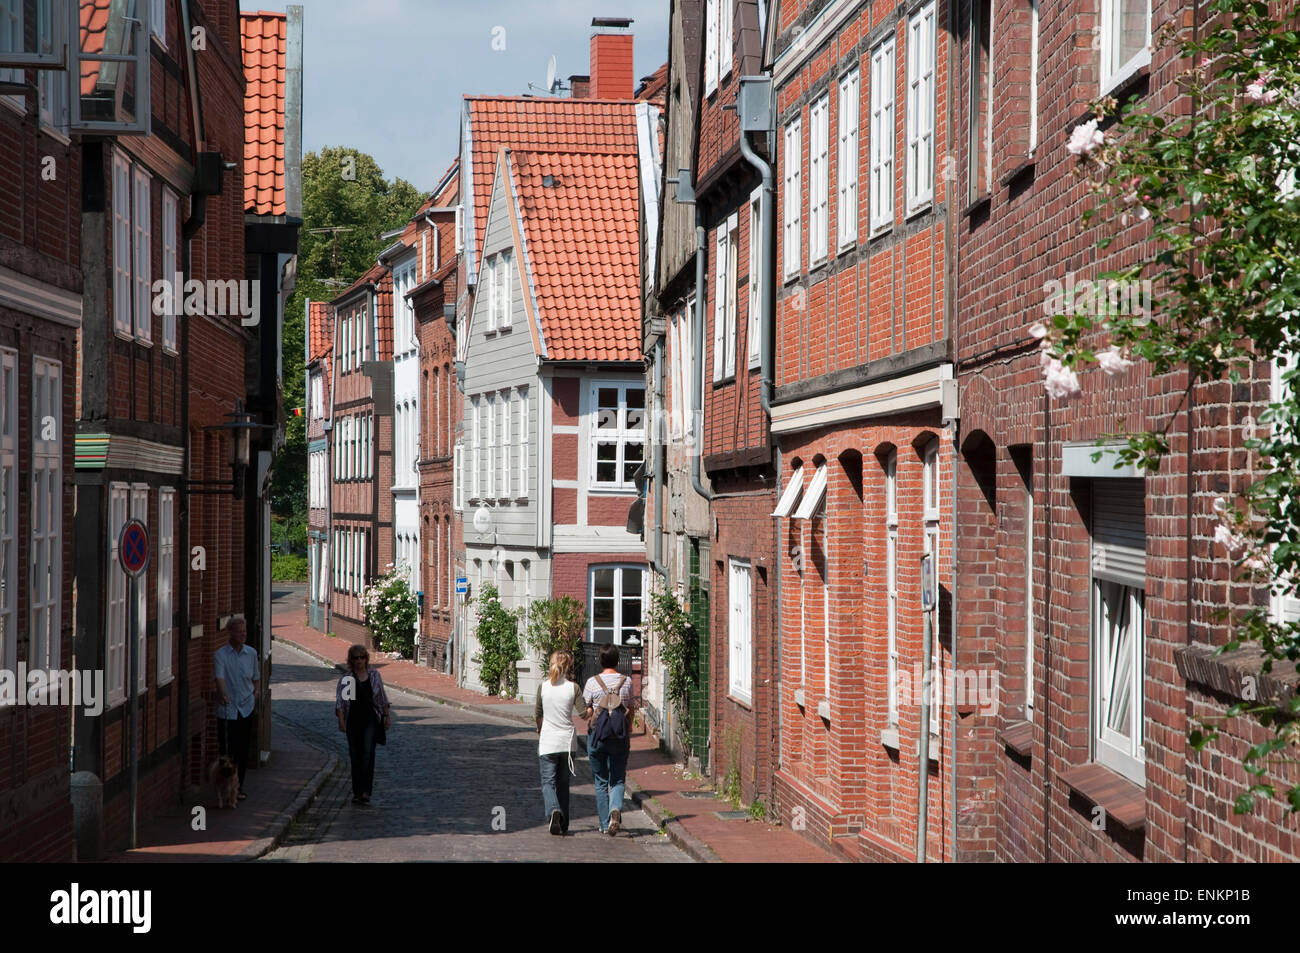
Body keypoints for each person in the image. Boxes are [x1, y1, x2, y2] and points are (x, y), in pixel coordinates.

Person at [583, 644, 636, 835]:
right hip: (619, 736)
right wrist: (628, 727)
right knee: (618, 778)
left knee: (600, 780)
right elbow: (631, 708)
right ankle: (616, 808)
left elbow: (587, 710)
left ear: (600, 661)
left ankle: (605, 824)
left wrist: (591, 711)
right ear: (617, 661)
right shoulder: (627, 681)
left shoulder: (592, 682)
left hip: (598, 736)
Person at [535, 650, 587, 835]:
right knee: (563, 785)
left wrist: (540, 730)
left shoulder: (543, 687)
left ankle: (553, 810)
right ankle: (563, 824)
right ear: (568, 667)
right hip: (567, 742)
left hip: (548, 741)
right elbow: (583, 714)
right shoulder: (573, 688)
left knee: (547, 783)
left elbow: (538, 715)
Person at [335, 644, 391, 804]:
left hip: (370, 720)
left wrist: (386, 716)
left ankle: (365, 792)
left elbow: (381, 697)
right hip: (353, 719)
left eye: (362, 657)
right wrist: (341, 720)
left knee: (367, 754)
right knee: (355, 756)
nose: (359, 661)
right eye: (355, 658)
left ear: (366, 659)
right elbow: (343, 702)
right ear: (350, 660)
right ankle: (357, 791)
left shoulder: (373, 675)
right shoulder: (349, 679)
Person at [213, 616, 259, 799]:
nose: (243, 634)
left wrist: (256, 694)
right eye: (239, 631)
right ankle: (224, 786)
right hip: (228, 709)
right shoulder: (220, 655)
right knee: (227, 750)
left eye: (244, 631)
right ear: (230, 633)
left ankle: (237, 788)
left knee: (242, 749)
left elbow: (256, 678)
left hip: (246, 707)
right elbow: (219, 678)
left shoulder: (252, 654)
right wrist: (223, 694)